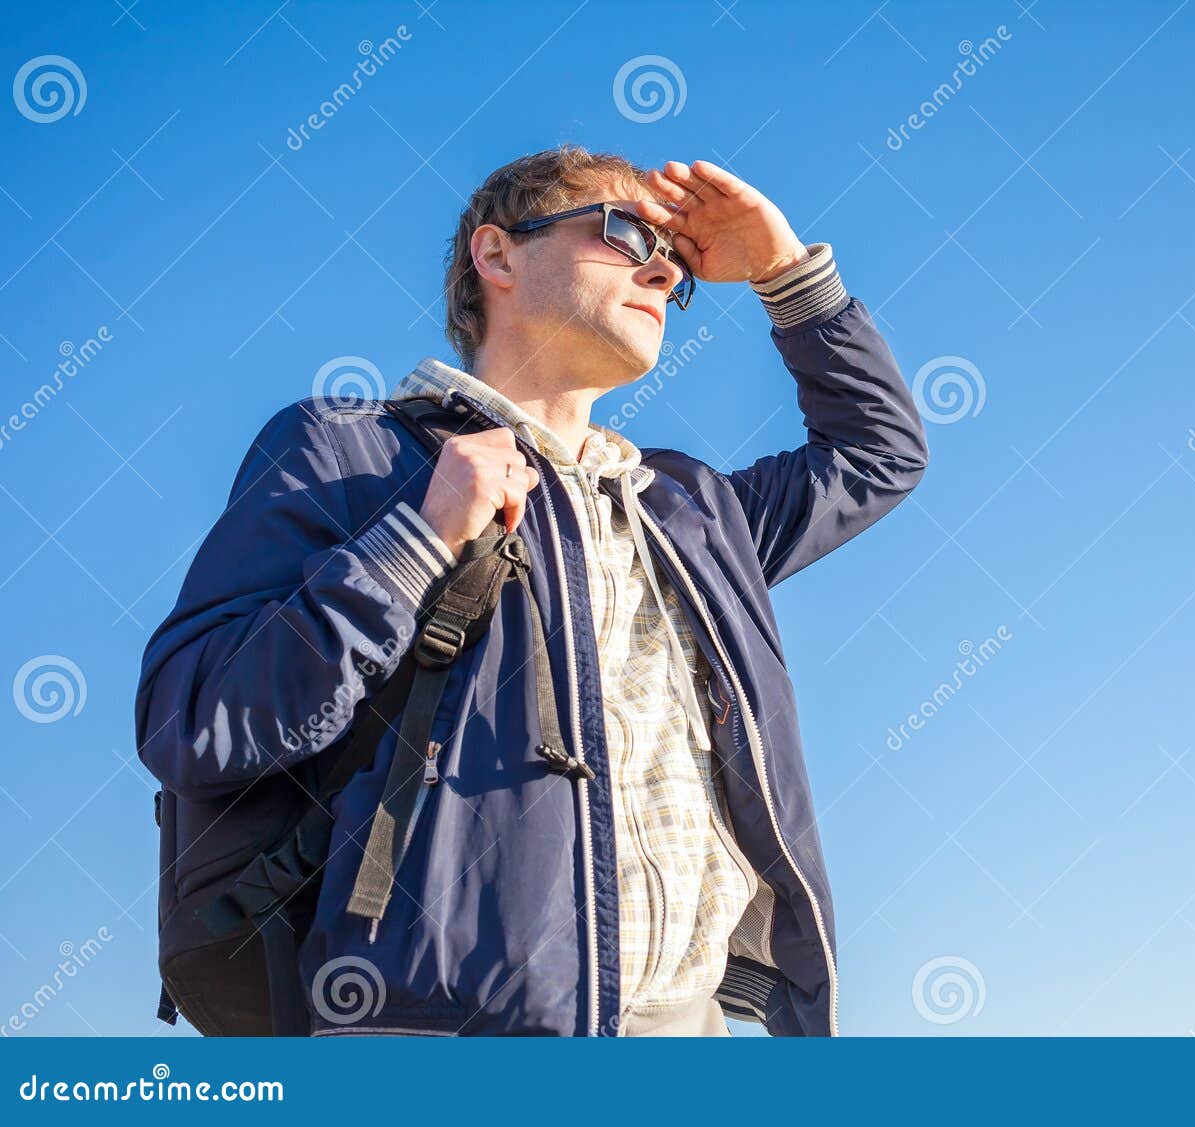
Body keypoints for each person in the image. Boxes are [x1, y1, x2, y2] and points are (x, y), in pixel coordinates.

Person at [135, 143, 928, 1036]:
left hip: (689, 1027)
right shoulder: (348, 455)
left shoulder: (690, 512)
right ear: (498, 254)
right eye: (625, 233)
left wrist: (786, 274)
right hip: (433, 1034)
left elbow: (877, 454)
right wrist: (418, 540)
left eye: (678, 265)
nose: (663, 268)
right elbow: (193, 720)